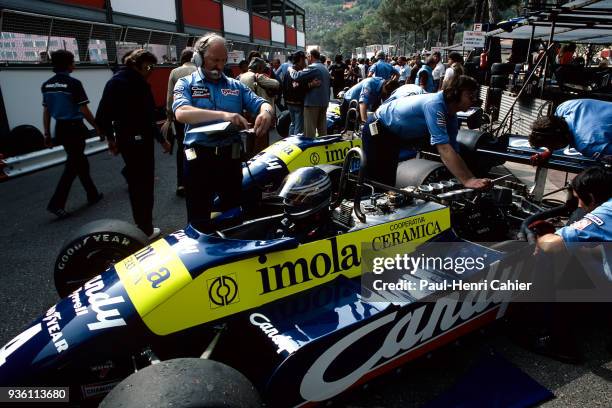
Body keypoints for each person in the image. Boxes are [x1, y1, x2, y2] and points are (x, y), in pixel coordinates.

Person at [173, 34, 274, 232]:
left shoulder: (236, 86)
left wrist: (266, 113)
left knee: (233, 217)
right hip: (198, 160)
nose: (219, 66)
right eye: (214, 60)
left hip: (230, 159)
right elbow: (181, 113)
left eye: (223, 60)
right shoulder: (186, 84)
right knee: (198, 220)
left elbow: (261, 103)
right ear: (199, 58)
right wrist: (224, 116)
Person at [362, 75, 491, 189]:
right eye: (470, 96)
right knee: (376, 180)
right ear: (455, 93)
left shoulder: (451, 115)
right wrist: (467, 180)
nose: (474, 100)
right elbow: (444, 149)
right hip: (377, 129)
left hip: (393, 135)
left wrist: (471, 178)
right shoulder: (434, 104)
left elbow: (453, 150)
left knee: (388, 179)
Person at [96, 49, 171, 240]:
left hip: (124, 138)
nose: (151, 70)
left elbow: (102, 115)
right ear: (139, 64)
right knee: (144, 186)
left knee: (137, 182)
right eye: (149, 66)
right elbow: (149, 117)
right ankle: (145, 229)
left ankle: (142, 224)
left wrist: (111, 139)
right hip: (142, 139)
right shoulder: (139, 84)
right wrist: (162, 140)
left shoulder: (114, 81)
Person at [42, 50, 103, 218]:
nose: (74, 64)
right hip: (75, 128)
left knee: (80, 162)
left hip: (60, 128)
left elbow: (46, 111)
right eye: (73, 61)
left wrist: (46, 133)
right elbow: (83, 109)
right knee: (72, 166)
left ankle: (93, 194)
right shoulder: (73, 84)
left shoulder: (46, 85)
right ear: (68, 64)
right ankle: (56, 204)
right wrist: (97, 126)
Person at [529, 99, 612, 163]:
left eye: (552, 146)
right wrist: (548, 151)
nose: (553, 148)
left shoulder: (587, 145)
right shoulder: (564, 107)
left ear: (558, 139)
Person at [272, 167, 340, 243]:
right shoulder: (288, 221)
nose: (291, 202)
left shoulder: (324, 231)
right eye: (290, 197)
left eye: (297, 198)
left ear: (316, 198)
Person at [164, 49, 197, 197]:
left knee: (182, 146)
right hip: (199, 116)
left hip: (181, 116)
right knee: (198, 146)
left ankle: (182, 183)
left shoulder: (175, 72)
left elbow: (170, 97)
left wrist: (169, 116)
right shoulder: (200, 70)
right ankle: (197, 179)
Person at [239, 57, 280, 152]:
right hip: (258, 111)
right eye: (262, 68)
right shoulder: (257, 76)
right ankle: (259, 158)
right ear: (259, 68)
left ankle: (250, 157)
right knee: (261, 139)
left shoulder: (242, 76)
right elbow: (276, 83)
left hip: (246, 112)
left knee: (250, 137)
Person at [288, 48, 330, 138]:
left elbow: (297, 76)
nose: (306, 60)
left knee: (309, 131)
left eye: (307, 57)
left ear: (311, 56)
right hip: (324, 102)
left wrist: (291, 70)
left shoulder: (313, 67)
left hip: (312, 104)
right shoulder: (324, 67)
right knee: (322, 130)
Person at [282, 51, 316, 136]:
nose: (305, 62)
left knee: (293, 124)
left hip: (289, 102)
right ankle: (296, 144)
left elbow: (284, 86)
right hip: (297, 103)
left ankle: (289, 141)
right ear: (300, 59)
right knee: (298, 126)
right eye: (304, 59)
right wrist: (311, 84)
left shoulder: (288, 71)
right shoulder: (298, 72)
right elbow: (297, 87)